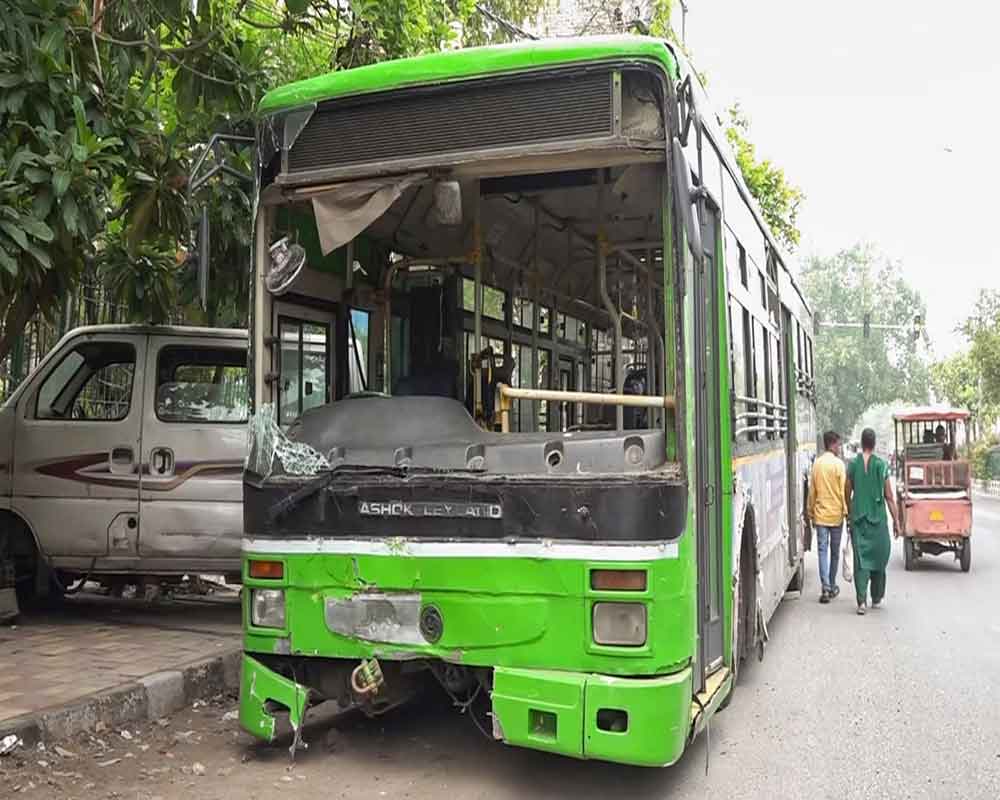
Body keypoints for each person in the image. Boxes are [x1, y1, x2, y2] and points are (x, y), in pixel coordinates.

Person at [846, 428, 900, 615]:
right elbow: (889, 497)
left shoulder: (853, 465)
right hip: (878, 521)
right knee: (879, 557)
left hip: (859, 520)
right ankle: (876, 596)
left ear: (861, 443)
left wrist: (850, 511)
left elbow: (847, 491)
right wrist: (896, 521)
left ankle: (861, 602)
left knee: (861, 562)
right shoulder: (881, 465)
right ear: (874, 443)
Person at [808, 430, 847, 603]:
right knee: (835, 552)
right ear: (833, 444)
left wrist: (810, 512)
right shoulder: (839, 465)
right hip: (836, 515)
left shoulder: (817, 464)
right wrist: (846, 512)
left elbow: (812, 492)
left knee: (822, 551)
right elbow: (843, 491)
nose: (839, 447)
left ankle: (825, 587)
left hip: (821, 515)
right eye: (838, 444)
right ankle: (831, 584)